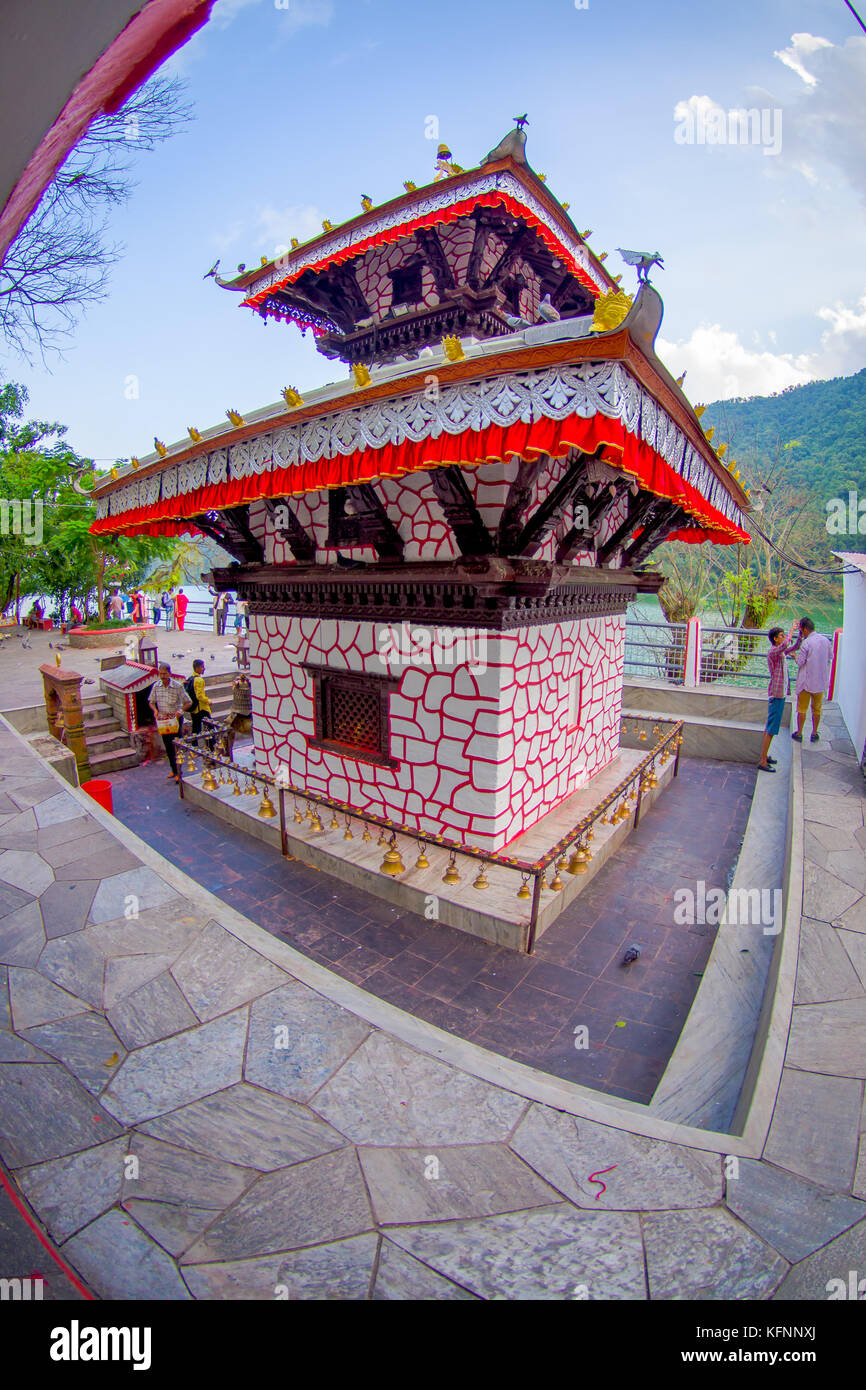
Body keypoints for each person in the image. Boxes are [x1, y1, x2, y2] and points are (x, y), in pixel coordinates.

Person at [758, 622, 801, 772]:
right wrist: (792, 630)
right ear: (776, 639)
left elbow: (793, 647)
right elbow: (786, 645)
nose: (784, 638)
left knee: (770, 727)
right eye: (781, 636)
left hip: (780, 693)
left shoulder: (780, 651)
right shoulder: (774, 652)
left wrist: (799, 634)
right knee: (771, 728)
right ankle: (763, 761)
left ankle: (765, 756)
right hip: (777, 694)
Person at [792, 617, 833, 744]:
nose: (801, 634)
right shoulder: (826, 641)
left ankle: (799, 733)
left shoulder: (807, 643)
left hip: (806, 682)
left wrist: (794, 655)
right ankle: (814, 733)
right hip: (820, 681)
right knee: (817, 709)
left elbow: (800, 662)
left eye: (801, 631)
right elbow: (830, 656)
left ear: (804, 629)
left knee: (802, 709)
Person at [148, 662, 191, 782]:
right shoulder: (156, 686)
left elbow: (188, 702)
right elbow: (151, 701)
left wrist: (180, 711)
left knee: (176, 745)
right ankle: (173, 769)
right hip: (163, 720)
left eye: (164, 674)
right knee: (167, 746)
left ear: (169, 673)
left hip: (175, 719)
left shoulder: (177, 686)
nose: (162, 676)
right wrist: (155, 711)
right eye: (160, 674)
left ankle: (179, 771)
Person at [223, 672, 252, 761]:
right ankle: (227, 751)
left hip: (241, 713)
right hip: (245, 712)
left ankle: (227, 751)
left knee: (227, 728)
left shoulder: (237, 685)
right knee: (226, 728)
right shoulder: (246, 685)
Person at [184, 659, 212, 741]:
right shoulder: (199, 680)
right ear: (197, 668)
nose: (203, 669)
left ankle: (194, 748)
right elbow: (199, 696)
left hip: (194, 708)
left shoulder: (190, 678)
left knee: (196, 729)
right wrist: (208, 701)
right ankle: (212, 746)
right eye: (202, 667)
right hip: (201, 708)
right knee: (210, 728)